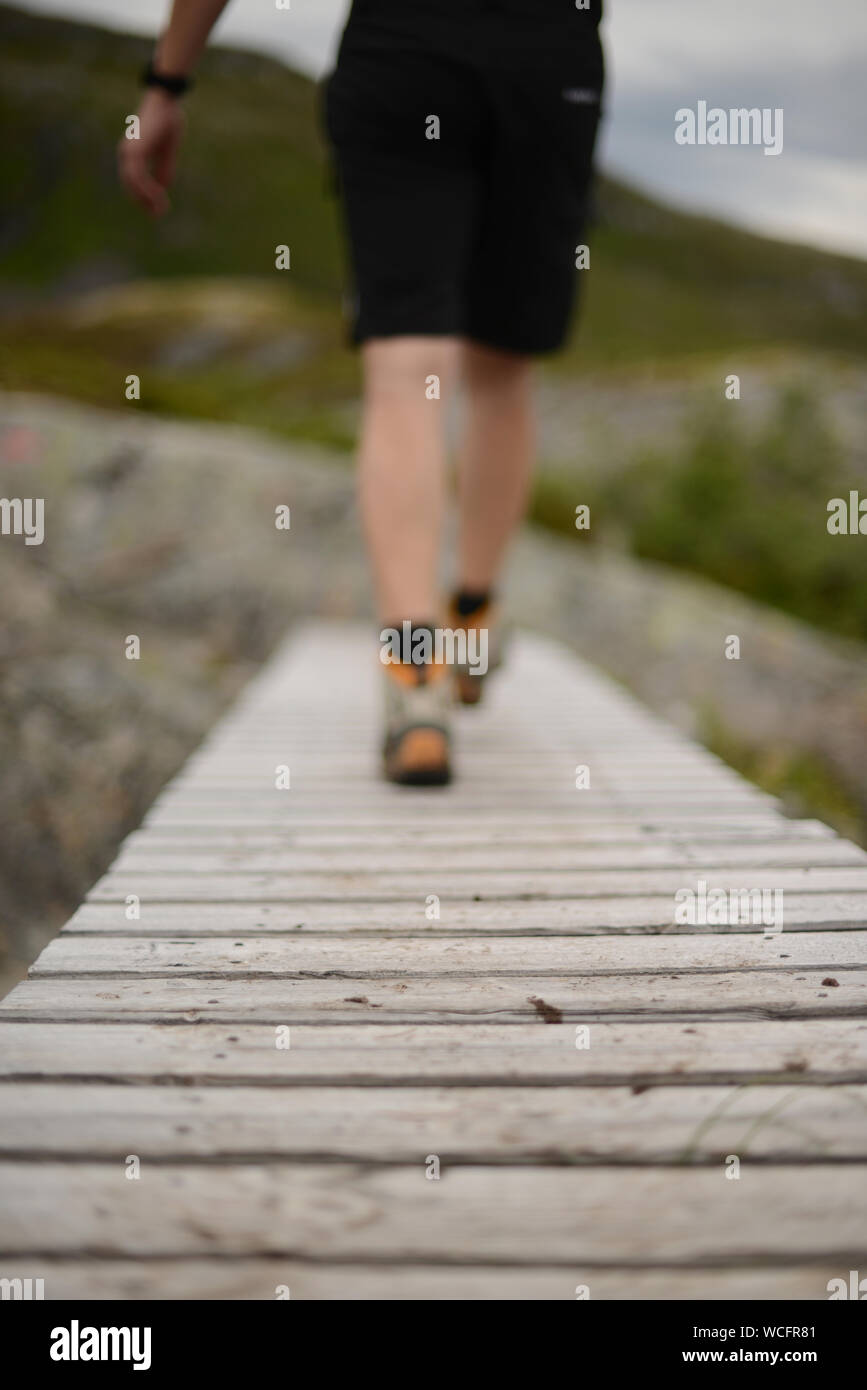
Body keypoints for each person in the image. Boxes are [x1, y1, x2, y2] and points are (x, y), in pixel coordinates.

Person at [119, 0, 604, 786]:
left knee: (405, 371)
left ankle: (415, 686)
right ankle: (472, 623)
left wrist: (166, 80)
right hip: (547, 56)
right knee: (502, 370)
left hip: (404, 46)